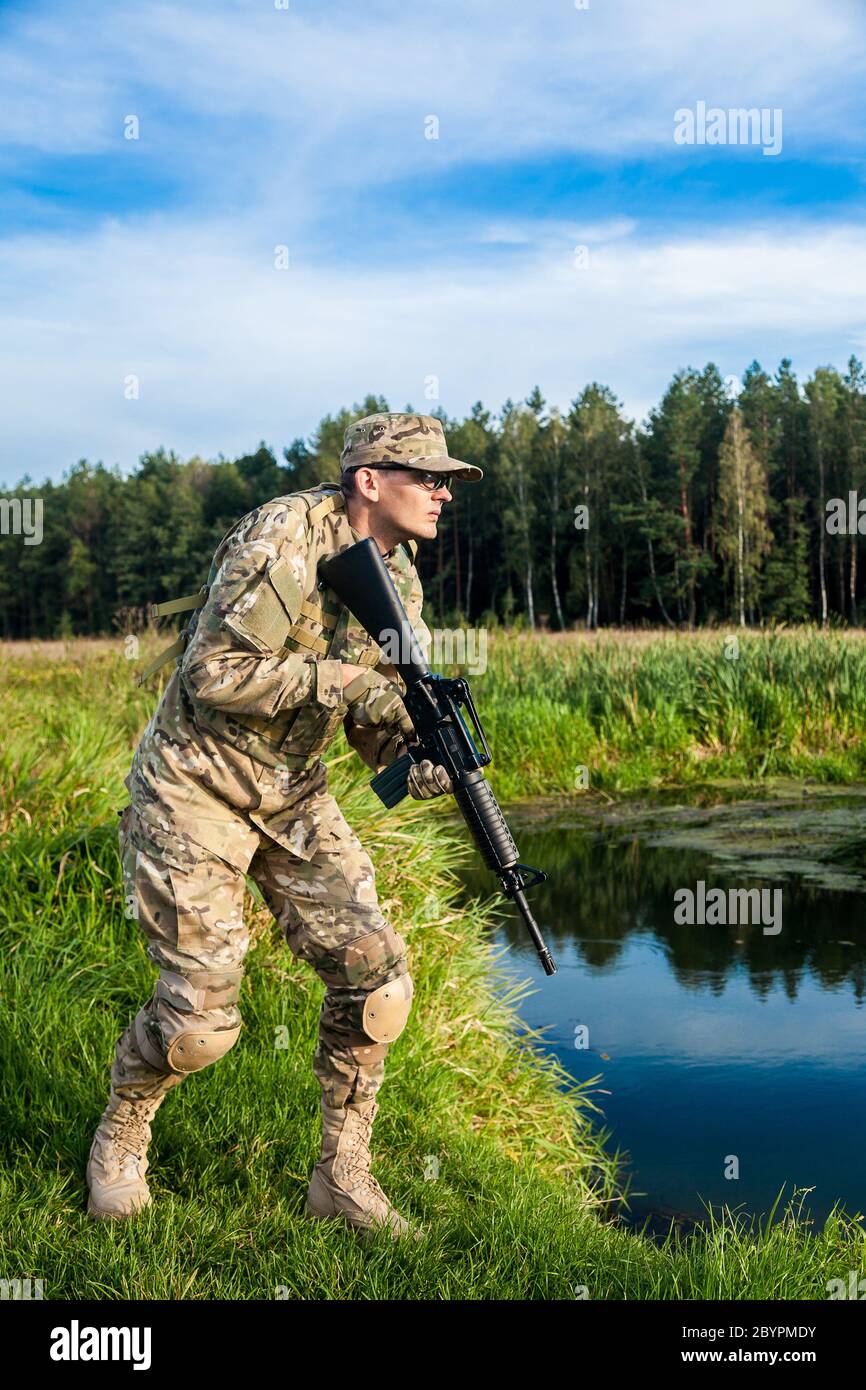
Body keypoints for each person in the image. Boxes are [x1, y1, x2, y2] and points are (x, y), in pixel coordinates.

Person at [85, 412, 482, 1240]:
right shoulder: (282, 537)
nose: (444, 493)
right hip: (194, 787)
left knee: (379, 986)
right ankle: (122, 1135)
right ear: (370, 481)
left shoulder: (399, 581)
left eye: (448, 481)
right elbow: (212, 673)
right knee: (199, 1023)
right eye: (429, 477)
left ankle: (342, 1176)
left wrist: (420, 750)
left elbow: (376, 736)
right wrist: (341, 682)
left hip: (290, 791)